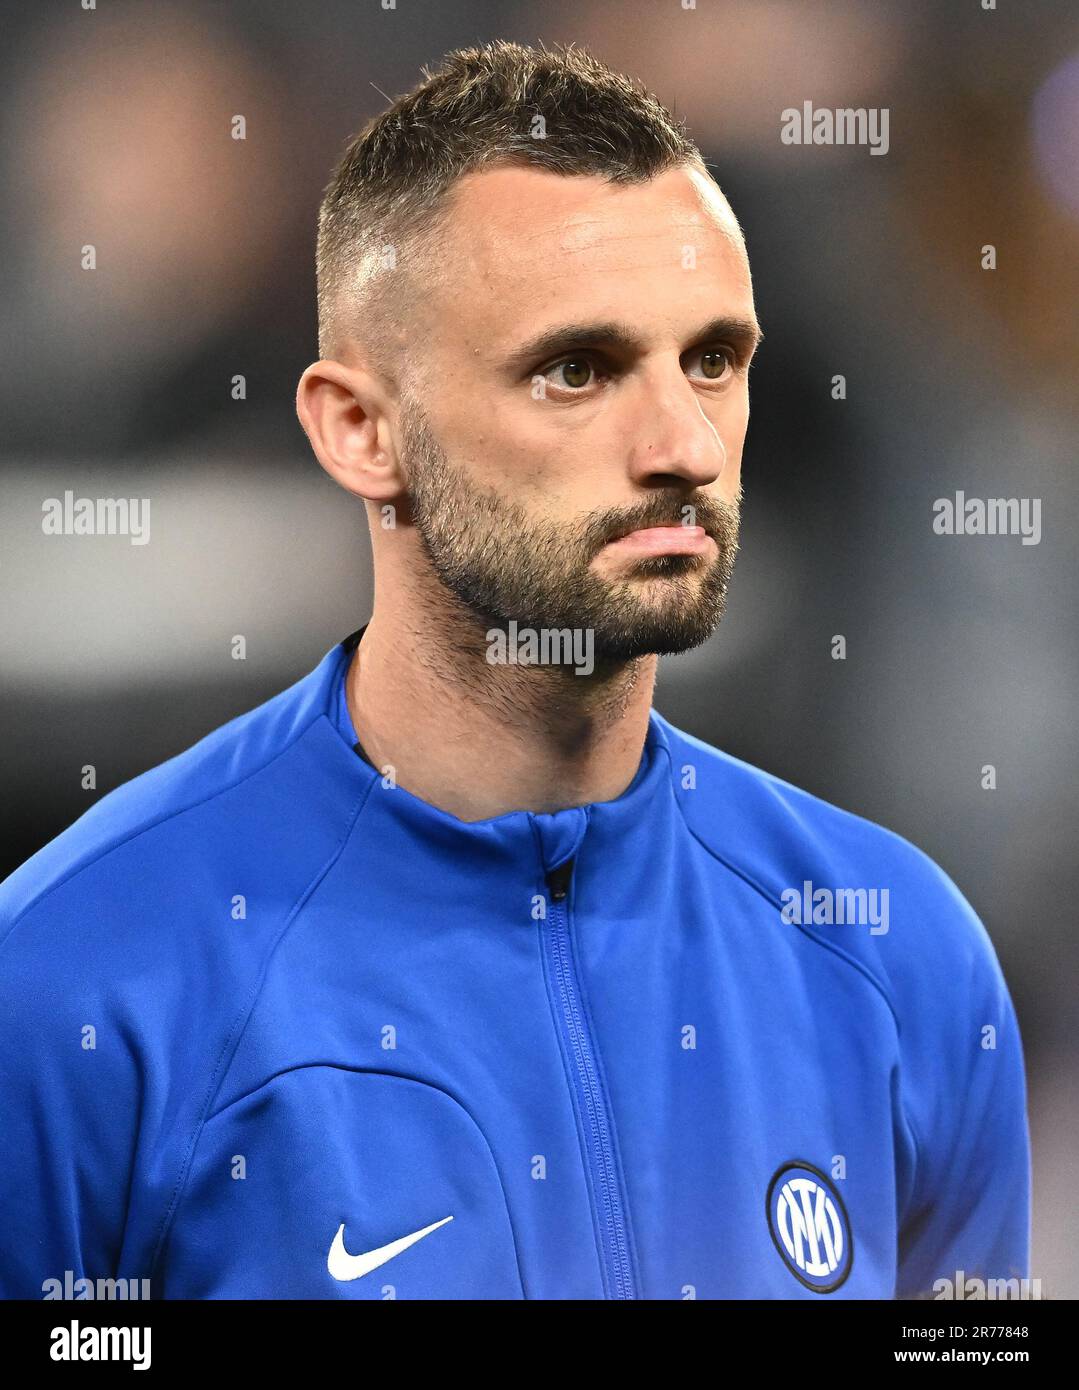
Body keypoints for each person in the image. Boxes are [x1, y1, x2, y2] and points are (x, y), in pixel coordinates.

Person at [0, 40, 1029, 1300]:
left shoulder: (901, 954)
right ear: (360, 429)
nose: (683, 444)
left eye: (712, 358)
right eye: (575, 370)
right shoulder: (75, 981)